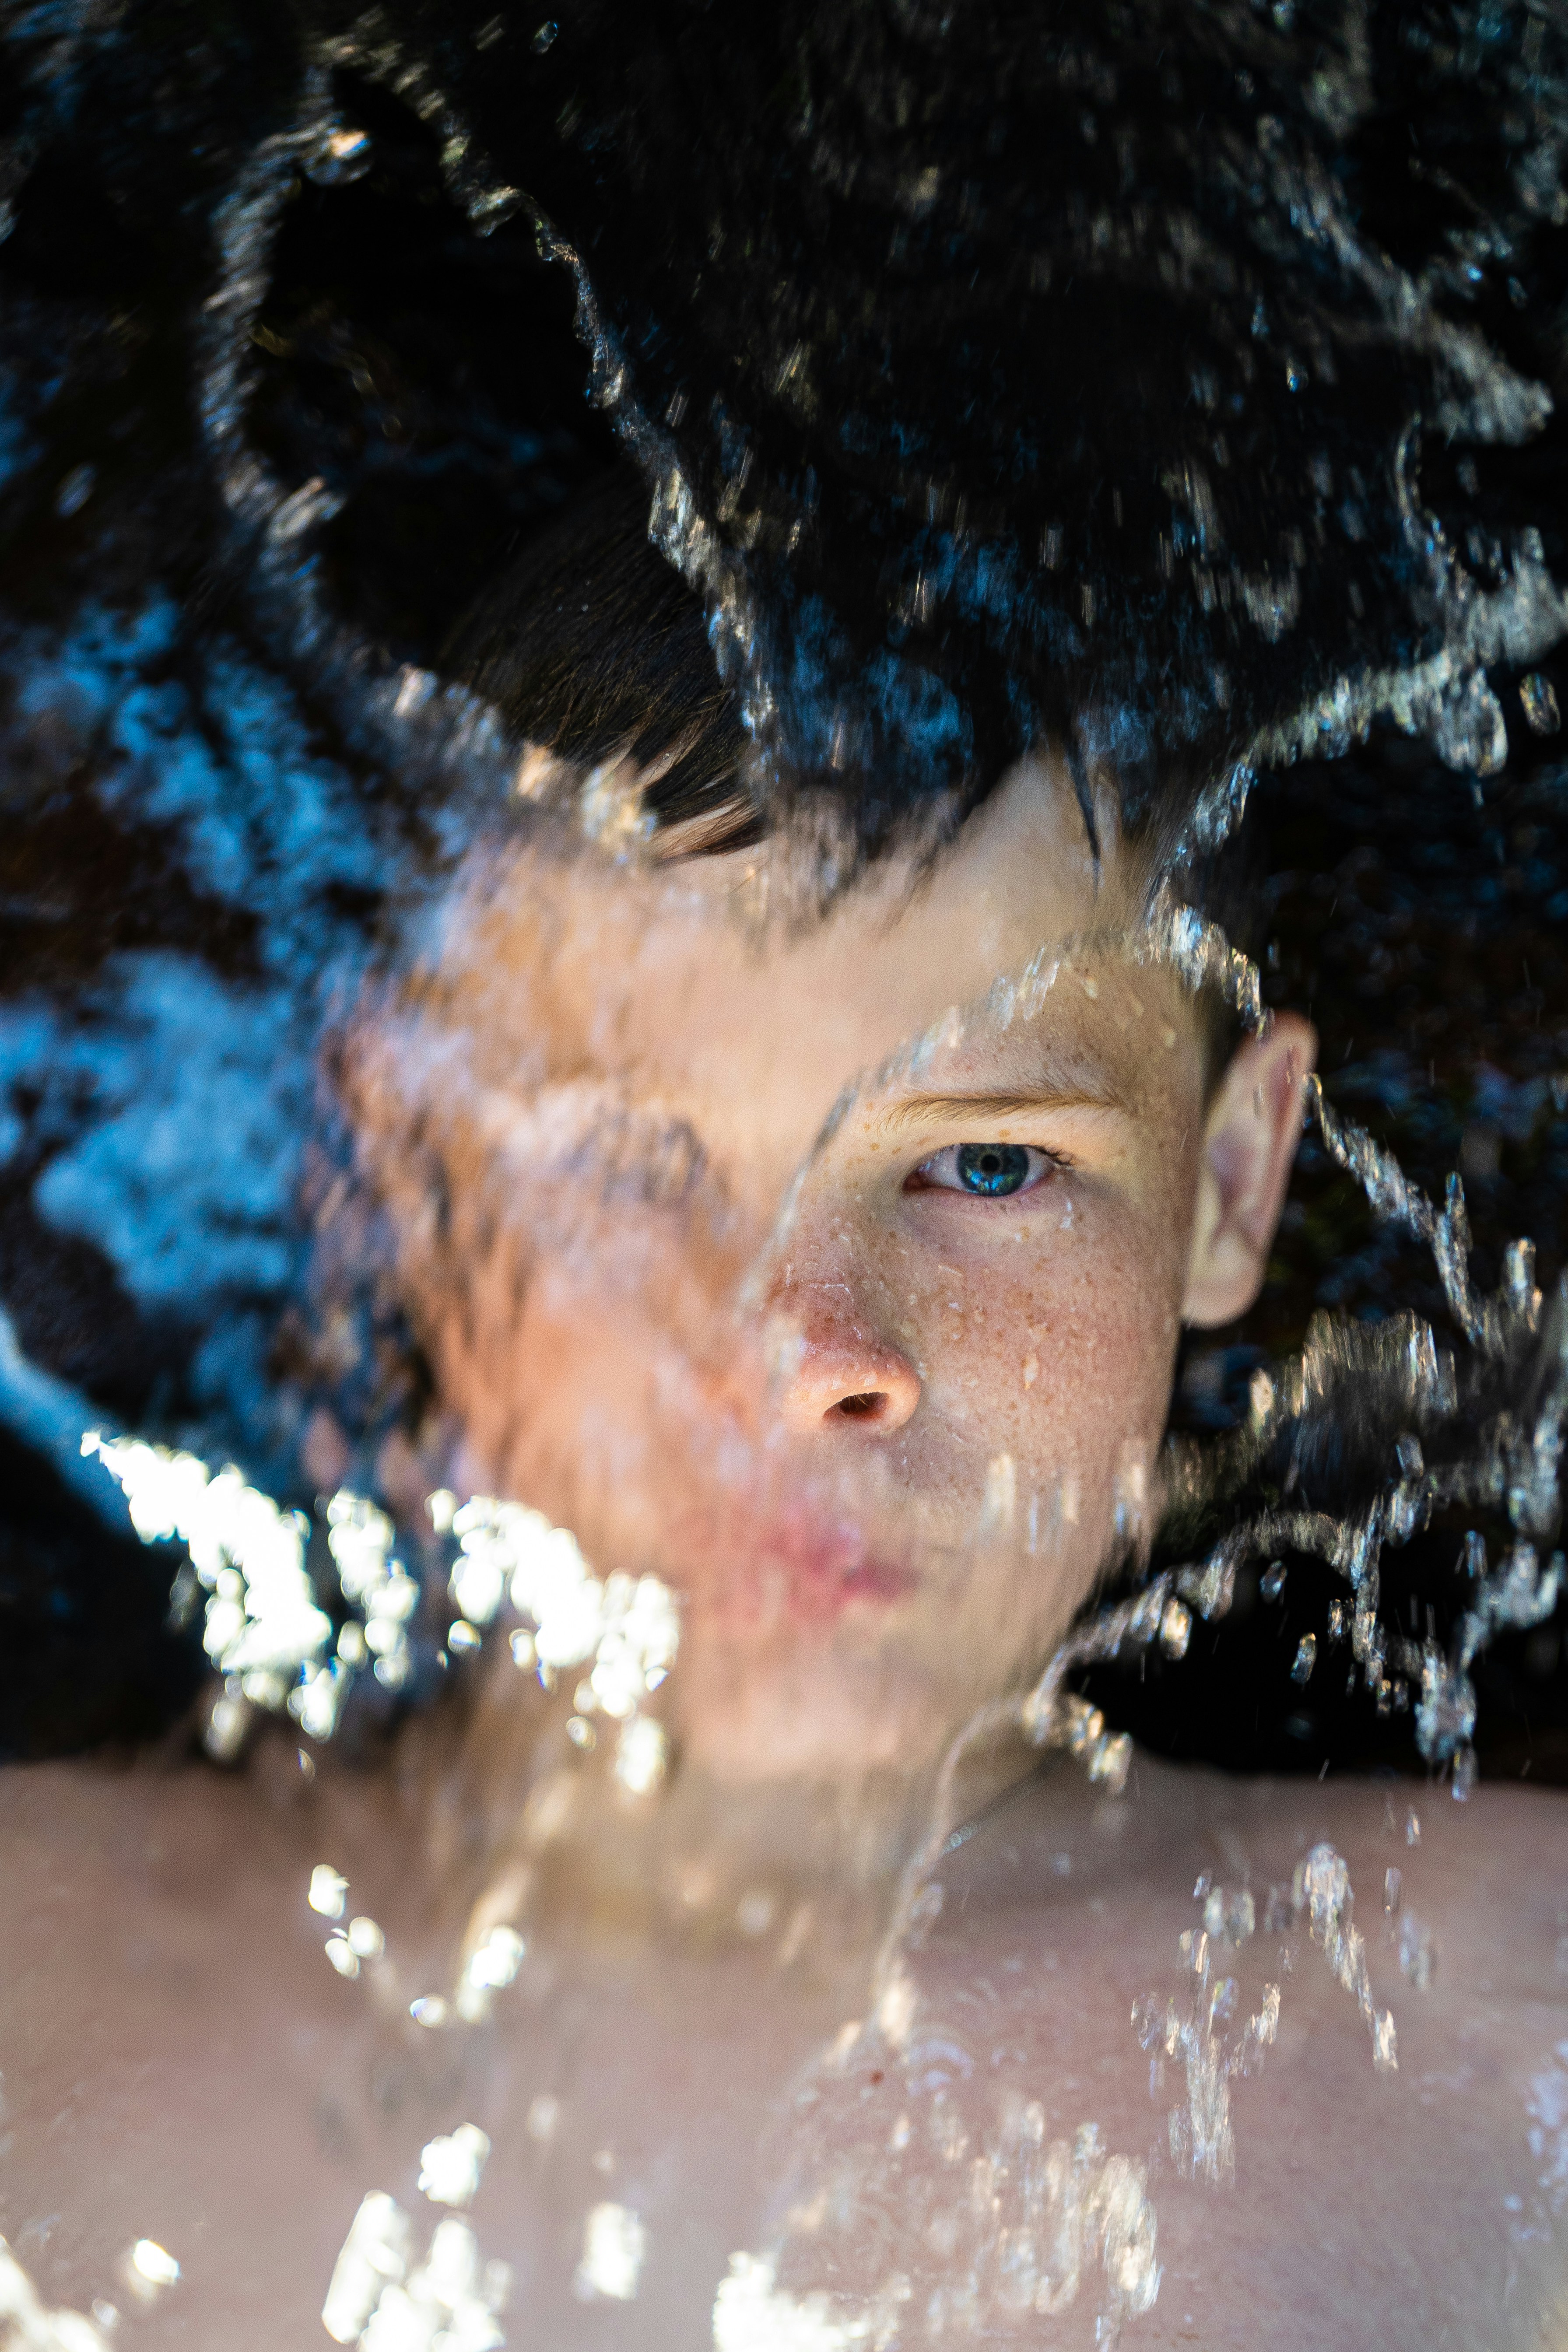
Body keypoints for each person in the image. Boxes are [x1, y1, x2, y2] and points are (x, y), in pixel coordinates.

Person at [3, 481, 1568, 2352]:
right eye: (629, 1175)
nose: (796, 1344)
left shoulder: (1506, 2031)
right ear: (405, 1175)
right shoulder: (34, 1984)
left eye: (988, 1162)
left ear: (1230, 1184)